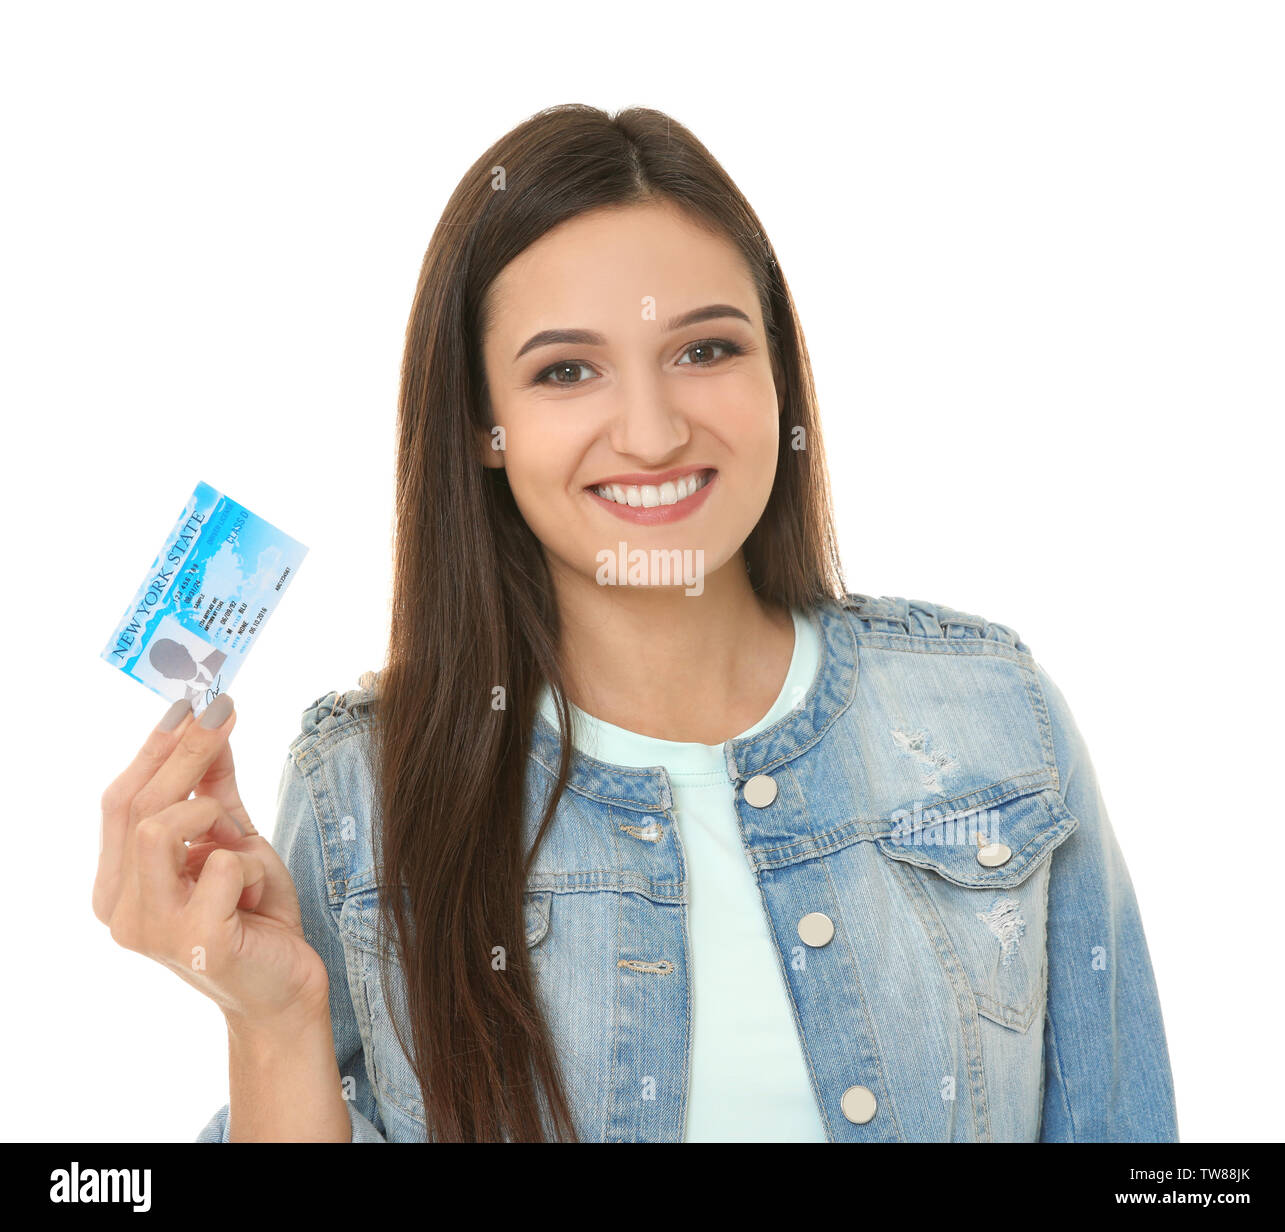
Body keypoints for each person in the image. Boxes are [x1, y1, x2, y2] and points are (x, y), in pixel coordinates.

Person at [94, 104, 1178, 1143]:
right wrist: (271, 1020)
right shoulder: (363, 793)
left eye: (706, 350)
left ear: (779, 374)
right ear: (485, 425)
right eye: (566, 370)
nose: (654, 432)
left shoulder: (995, 718)